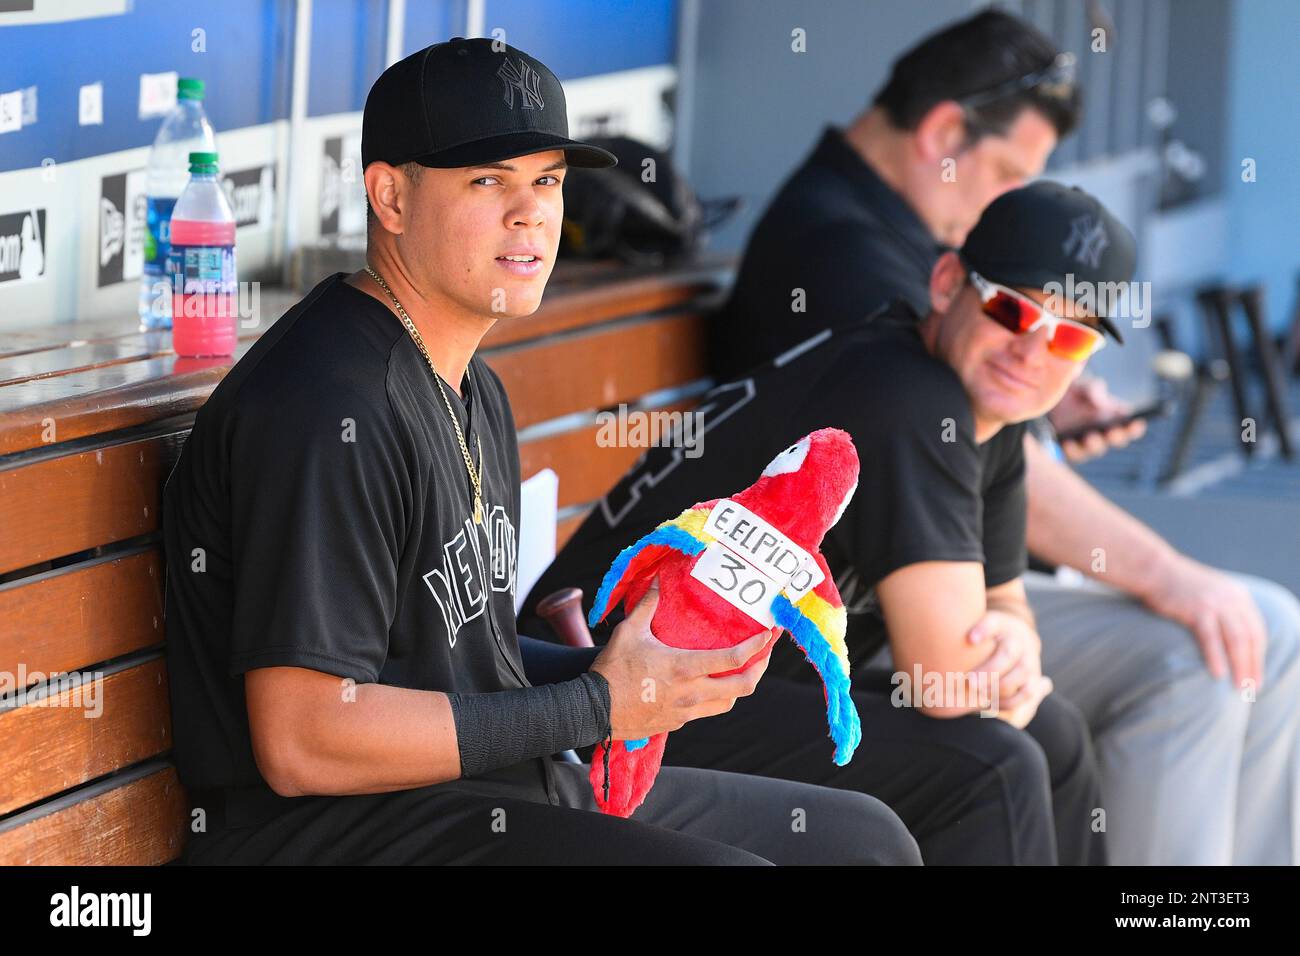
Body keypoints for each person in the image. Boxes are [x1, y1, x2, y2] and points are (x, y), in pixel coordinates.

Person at [162, 38, 920, 866]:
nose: (530, 213)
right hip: (337, 837)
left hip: (480, 795)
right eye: (488, 181)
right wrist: (598, 703)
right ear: (389, 197)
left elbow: (450, 656)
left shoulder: (467, 379)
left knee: (860, 844)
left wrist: (643, 666)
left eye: (548, 181)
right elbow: (305, 739)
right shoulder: (328, 406)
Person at [701, 8, 1300, 865]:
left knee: (1253, 634)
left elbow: (984, 448)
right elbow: (928, 433)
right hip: (728, 661)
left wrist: (1014, 630)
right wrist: (1173, 578)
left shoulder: (928, 273)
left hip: (869, 613)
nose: (1033, 342)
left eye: (1068, 334)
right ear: (945, 133)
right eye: (1010, 175)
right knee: (1191, 658)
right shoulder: (849, 259)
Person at [524, 182, 1130, 866]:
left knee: (1054, 735)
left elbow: (1003, 604)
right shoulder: (906, 395)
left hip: (720, 684)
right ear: (946, 281)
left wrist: (1015, 646)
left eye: (1072, 334)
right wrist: (999, 675)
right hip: (605, 690)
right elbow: (945, 681)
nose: (1033, 350)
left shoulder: (989, 415)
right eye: (1011, 310)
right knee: (991, 771)